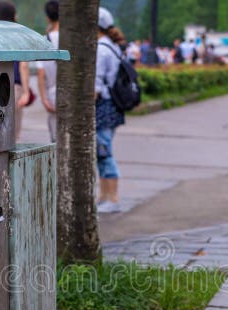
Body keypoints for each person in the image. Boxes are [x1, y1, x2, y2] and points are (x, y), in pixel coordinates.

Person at [95, 7, 126, 214]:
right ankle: (105, 196)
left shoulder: (100, 49)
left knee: (104, 152)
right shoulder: (113, 47)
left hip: (103, 105)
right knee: (102, 151)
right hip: (113, 106)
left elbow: (96, 85)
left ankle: (112, 198)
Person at [0, 1, 30, 141]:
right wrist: (26, 92)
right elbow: (23, 65)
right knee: (12, 134)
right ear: (11, 16)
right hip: (13, 87)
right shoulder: (17, 34)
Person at [37, 0, 59, 143]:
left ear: (47, 18)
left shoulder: (43, 41)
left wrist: (44, 99)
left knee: (56, 140)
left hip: (52, 96)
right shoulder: (74, 40)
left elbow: (41, 73)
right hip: (72, 94)